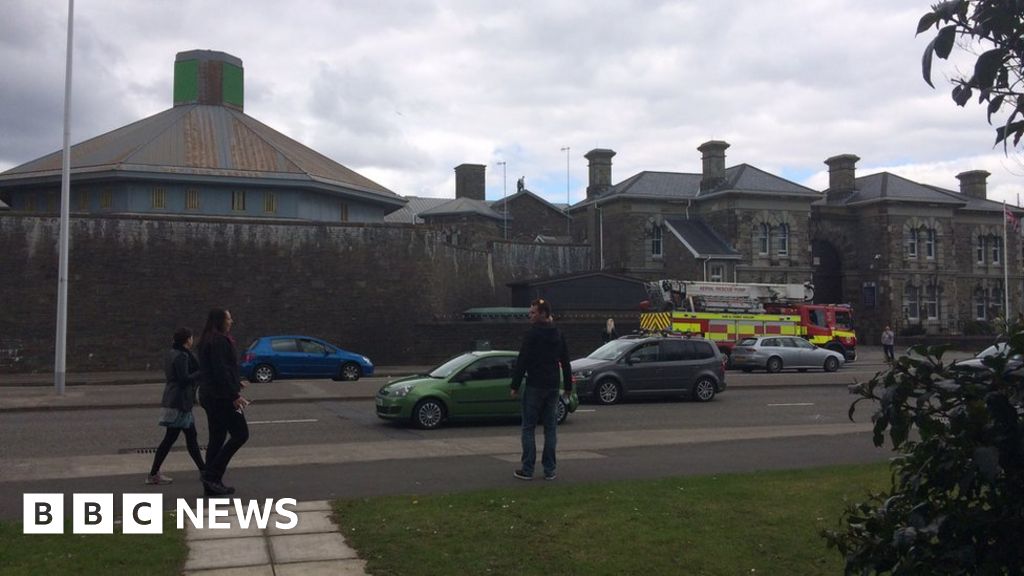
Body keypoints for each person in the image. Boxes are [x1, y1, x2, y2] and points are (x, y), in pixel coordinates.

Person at [510, 298, 572, 481]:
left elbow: (523, 360)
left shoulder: (532, 334)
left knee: (528, 427)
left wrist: (514, 385)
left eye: (533, 312)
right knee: (550, 428)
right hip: (552, 385)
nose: (530, 315)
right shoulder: (558, 334)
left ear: (544, 313)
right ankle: (550, 469)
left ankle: (527, 469)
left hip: (535, 385)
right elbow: (565, 362)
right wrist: (567, 386)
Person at [197, 308, 249, 496]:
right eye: (228, 318)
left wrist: (236, 382)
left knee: (217, 438)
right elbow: (221, 371)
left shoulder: (207, 340)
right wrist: (234, 395)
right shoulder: (219, 341)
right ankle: (211, 475)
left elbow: (216, 370)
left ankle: (211, 483)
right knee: (241, 434)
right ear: (220, 320)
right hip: (222, 397)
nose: (231, 321)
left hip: (211, 396)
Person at [147, 327, 205, 485]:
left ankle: (204, 470)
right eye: (191, 338)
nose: (192, 341)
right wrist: (201, 373)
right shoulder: (181, 356)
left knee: (190, 437)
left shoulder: (172, 353)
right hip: (180, 402)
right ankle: (153, 474)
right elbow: (184, 379)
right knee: (171, 438)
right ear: (187, 340)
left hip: (177, 400)